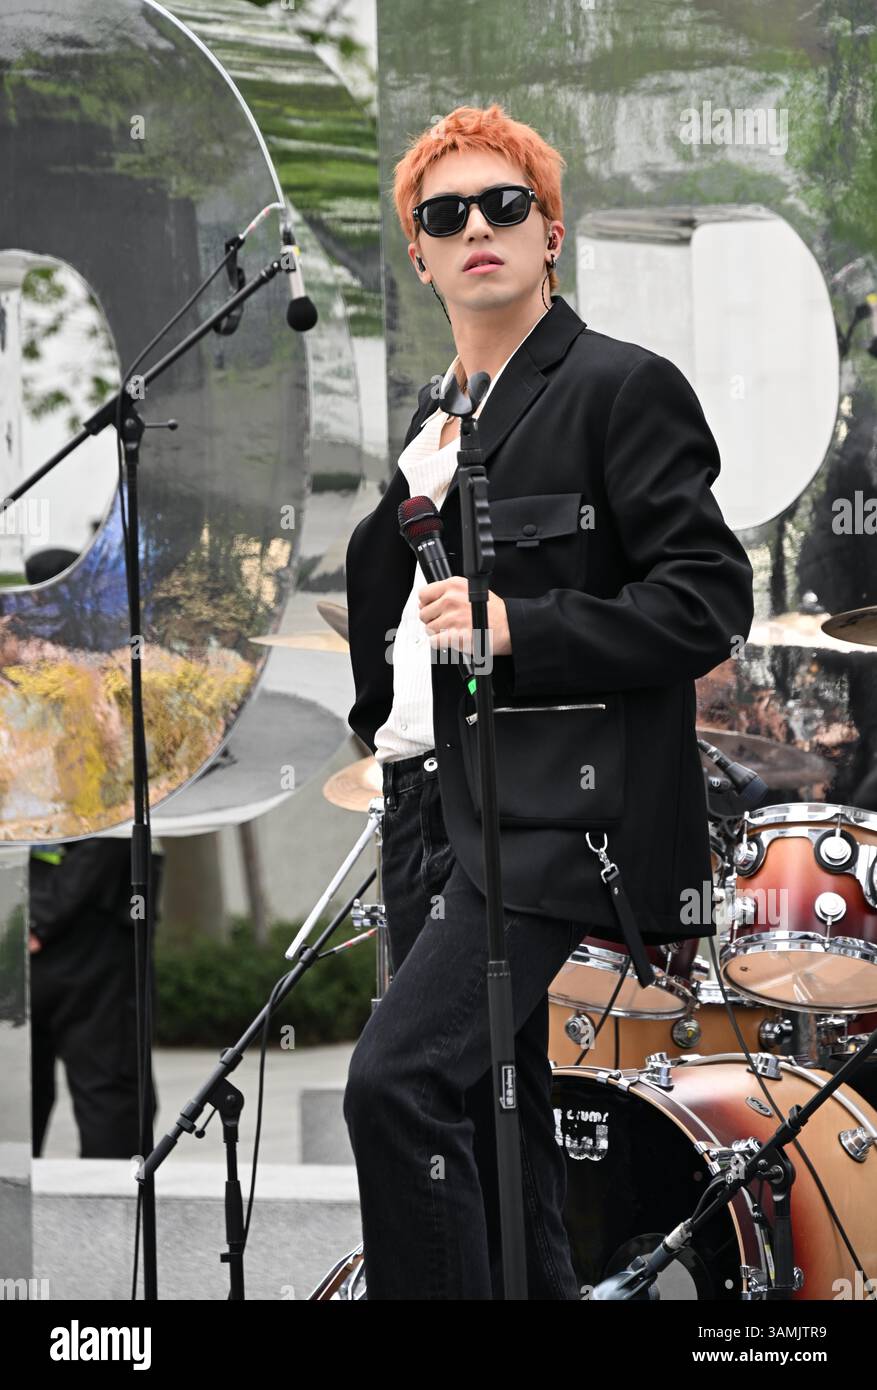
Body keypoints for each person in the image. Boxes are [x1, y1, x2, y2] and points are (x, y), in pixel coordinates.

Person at [342, 103, 754, 1300]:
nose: (478, 228)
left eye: (504, 206)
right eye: (446, 215)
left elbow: (704, 598)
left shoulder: (621, 389)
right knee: (480, 1111)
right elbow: (391, 628)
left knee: (396, 1083)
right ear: (419, 254)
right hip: (432, 809)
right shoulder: (437, 425)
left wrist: (521, 626)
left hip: (553, 822)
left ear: (549, 235)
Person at [26, 547, 161, 1159]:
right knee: (21, 1105)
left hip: (93, 931)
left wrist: (35, 922)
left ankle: (116, 1244)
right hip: (42, 929)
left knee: (110, 1103)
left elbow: (115, 818)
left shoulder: (107, 684)